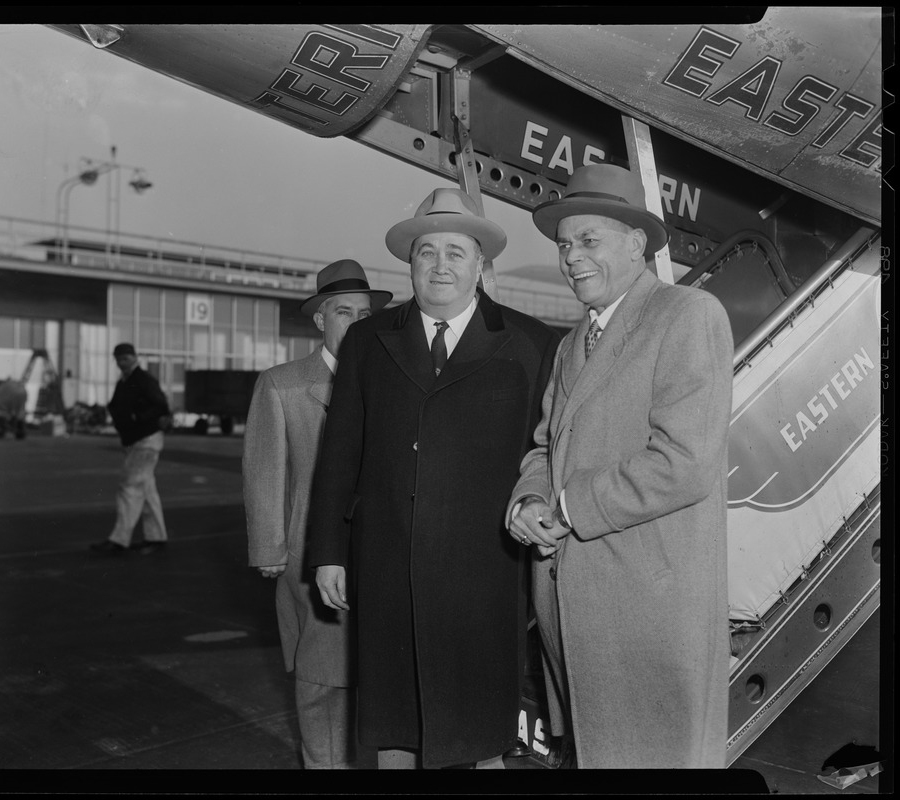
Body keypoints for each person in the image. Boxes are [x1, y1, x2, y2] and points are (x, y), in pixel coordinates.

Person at [306, 188, 560, 770]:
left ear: (480, 266)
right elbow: (341, 451)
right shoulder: (370, 341)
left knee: (480, 735)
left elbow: (545, 454)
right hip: (387, 565)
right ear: (410, 262)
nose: (440, 265)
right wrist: (329, 551)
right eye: (426, 252)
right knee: (395, 731)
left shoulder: (532, 344)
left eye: (455, 252)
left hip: (485, 576)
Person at [506, 164, 734, 769]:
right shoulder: (571, 342)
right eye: (563, 244)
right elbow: (543, 448)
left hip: (647, 618)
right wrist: (528, 501)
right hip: (578, 617)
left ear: (637, 244)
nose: (571, 258)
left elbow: (685, 462)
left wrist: (569, 506)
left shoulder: (688, 314)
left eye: (588, 241)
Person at [242, 259, 392, 769]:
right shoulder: (282, 385)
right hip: (311, 557)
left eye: (365, 313)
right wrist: (270, 550)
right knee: (322, 682)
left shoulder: (390, 382)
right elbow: (263, 471)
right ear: (319, 319)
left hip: (381, 557)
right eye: (343, 311)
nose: (356, 322)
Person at [90, 343, 172, 555]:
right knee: (146, 490)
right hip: (138, 440)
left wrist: (137, 418)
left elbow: (161, 405)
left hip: (146, 441)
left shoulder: (144, 381)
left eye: (125, 358)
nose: (121, 362)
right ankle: (156, 537)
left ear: (135, 358)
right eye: (118, 359)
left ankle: (119, 539)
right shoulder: (125, 382)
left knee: (129, 487)